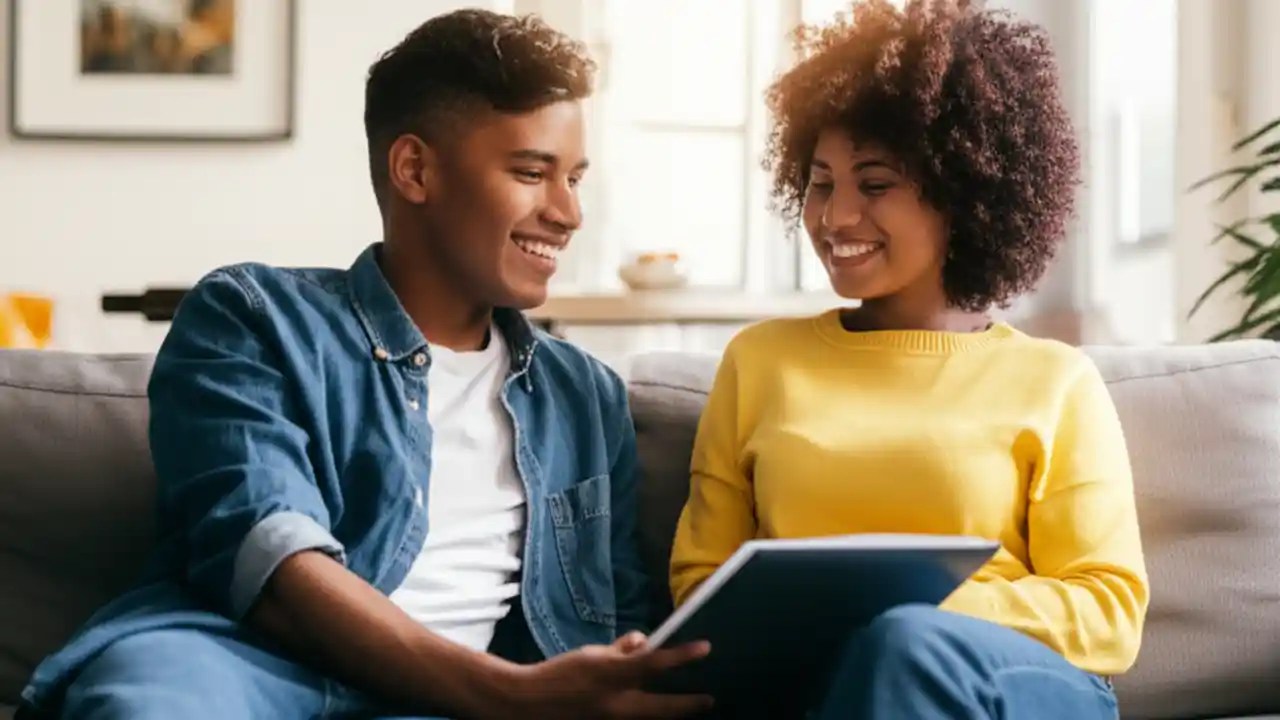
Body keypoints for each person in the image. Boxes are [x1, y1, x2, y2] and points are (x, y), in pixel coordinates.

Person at [18, 10, 712, 720]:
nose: (567, 212)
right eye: (532, 173)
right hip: (248, 670)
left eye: (575, 179)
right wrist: (510, 695)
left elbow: (618, 620)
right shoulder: (254, 318)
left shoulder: (585, 397)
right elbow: (266, 558)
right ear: (415, 169)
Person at [668, 0, 1149, 717]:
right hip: (820, 687)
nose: (835, 217)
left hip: (1010, 686)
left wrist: (907, 613)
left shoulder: (1056, 381)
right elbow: (700, 587)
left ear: (963, 190)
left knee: (905, 646)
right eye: (821, 182)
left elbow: (1108, 612)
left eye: (875, 183)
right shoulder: (759, 362)